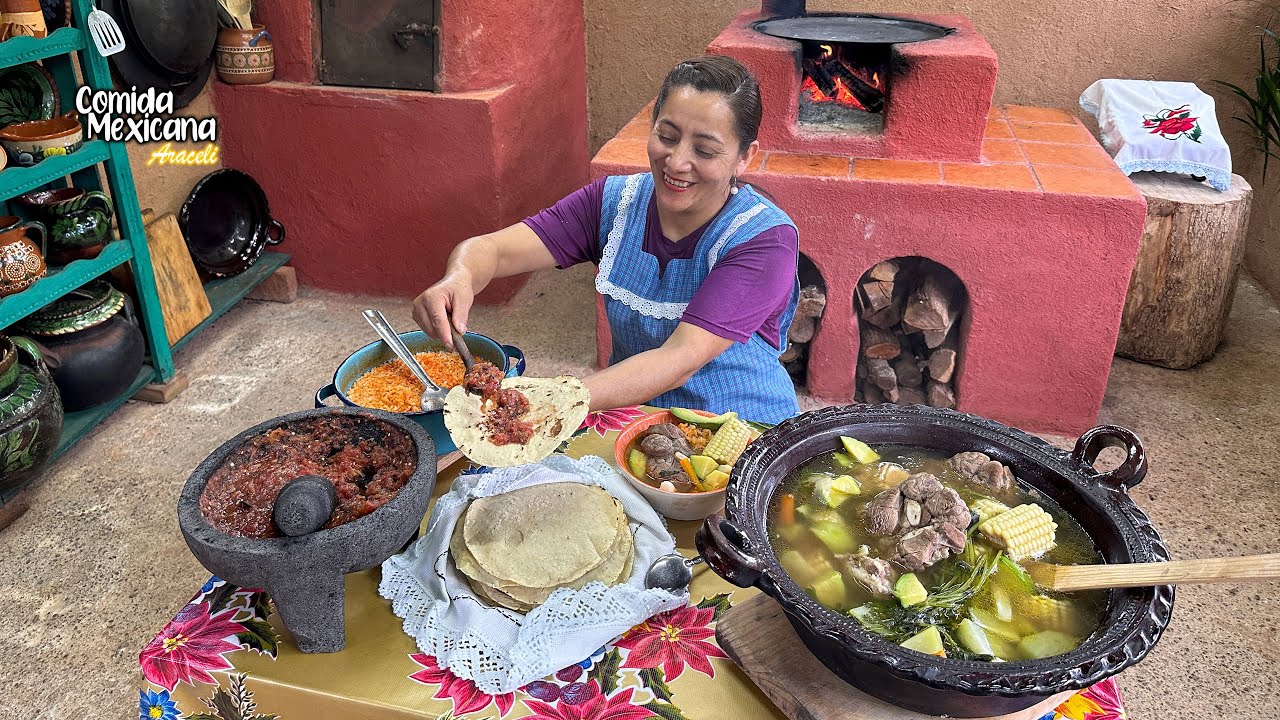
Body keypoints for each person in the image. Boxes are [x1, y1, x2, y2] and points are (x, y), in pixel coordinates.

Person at [413, 55, 801, 424]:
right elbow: (494, 250)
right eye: (666, 136)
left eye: (705, 150)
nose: (677, 162)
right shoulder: (615, 203)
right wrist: (459, 276)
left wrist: (554, 397)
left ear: (744, 157)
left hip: (739, 425)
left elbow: (680, 359)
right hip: (630, 420)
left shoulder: (765, 240)